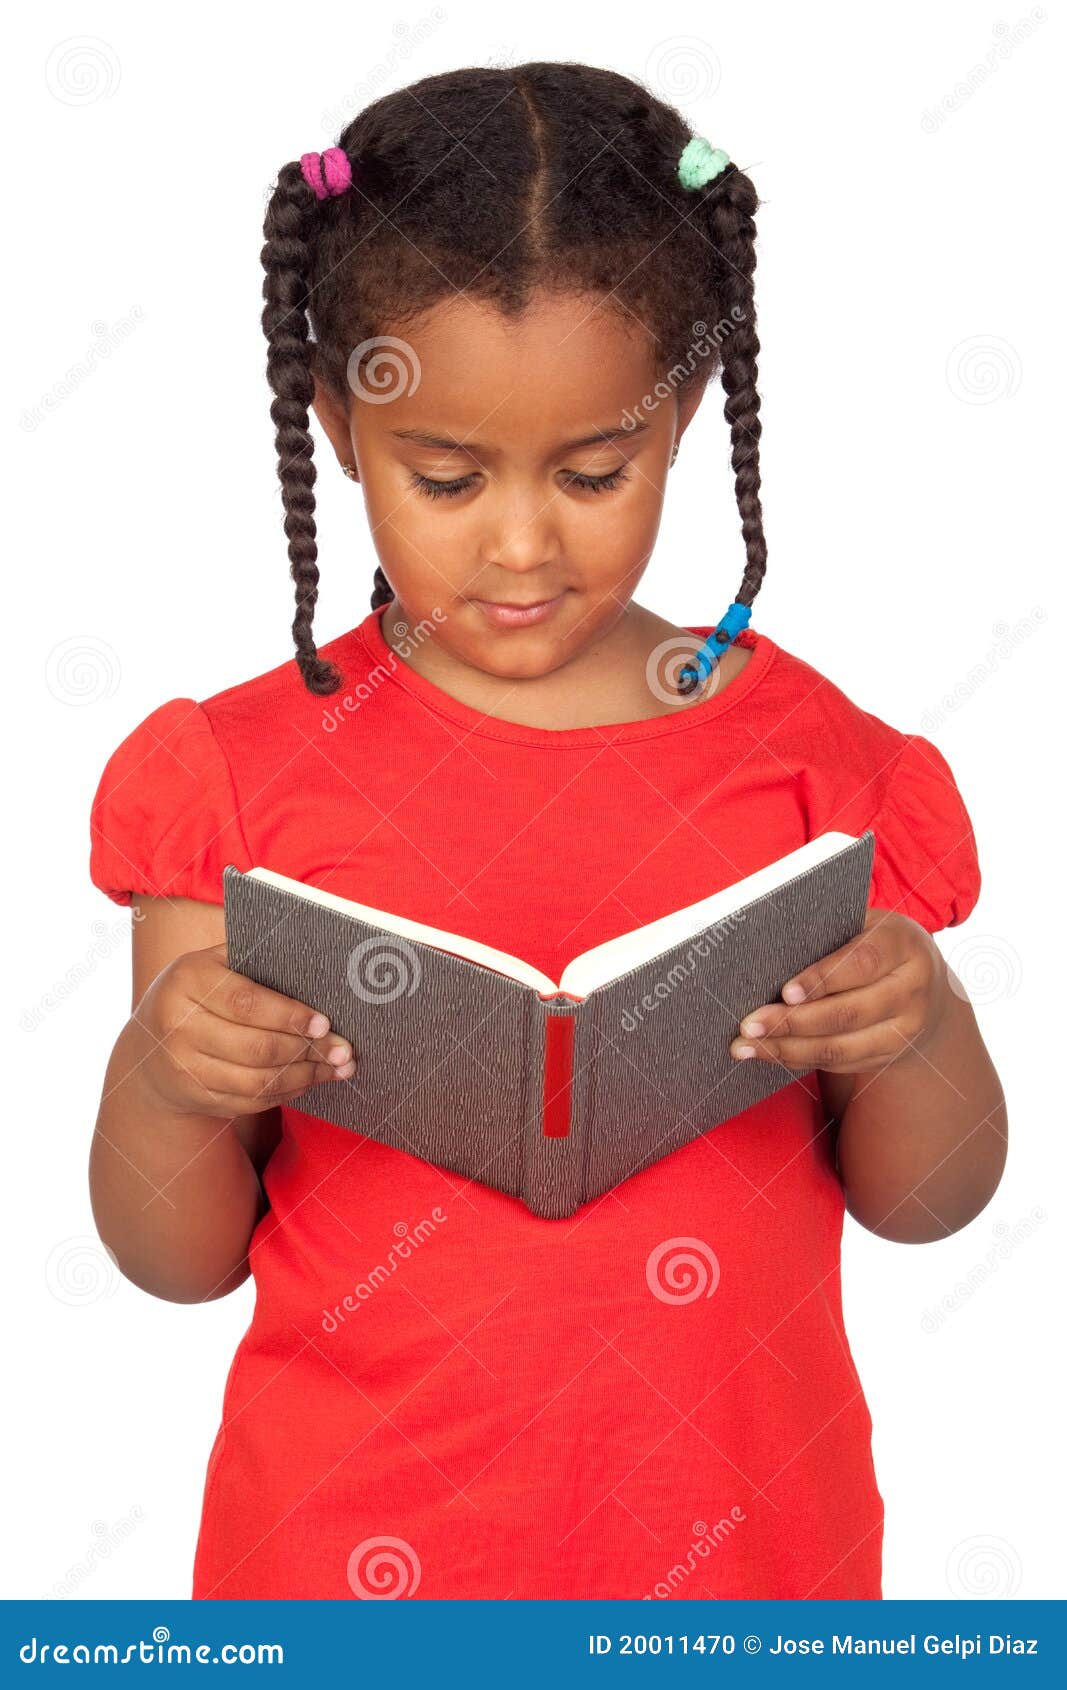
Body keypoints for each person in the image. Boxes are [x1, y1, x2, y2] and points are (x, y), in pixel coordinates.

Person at [87, 61, 1006, 1601]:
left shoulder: (821, 767)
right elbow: (175, 1258)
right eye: (445, 476)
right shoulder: (237, 780)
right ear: (341, 425)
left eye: (596, 470)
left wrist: (916, 1029)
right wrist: (163, 1073)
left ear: (685, 416)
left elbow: (928, 1205)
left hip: (740, 1570)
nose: (522, 542)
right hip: (342, 1571)